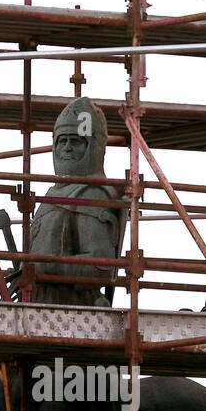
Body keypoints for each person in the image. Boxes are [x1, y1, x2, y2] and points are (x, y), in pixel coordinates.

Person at [27, 97, 123, 307]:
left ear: (93, 147)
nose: (67, 148)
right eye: (63, 141)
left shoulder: (91, 194)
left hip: (69, 307)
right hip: (39, 300)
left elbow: (101, 267)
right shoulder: (51, 194)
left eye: (76, 141)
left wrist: (48, 266)